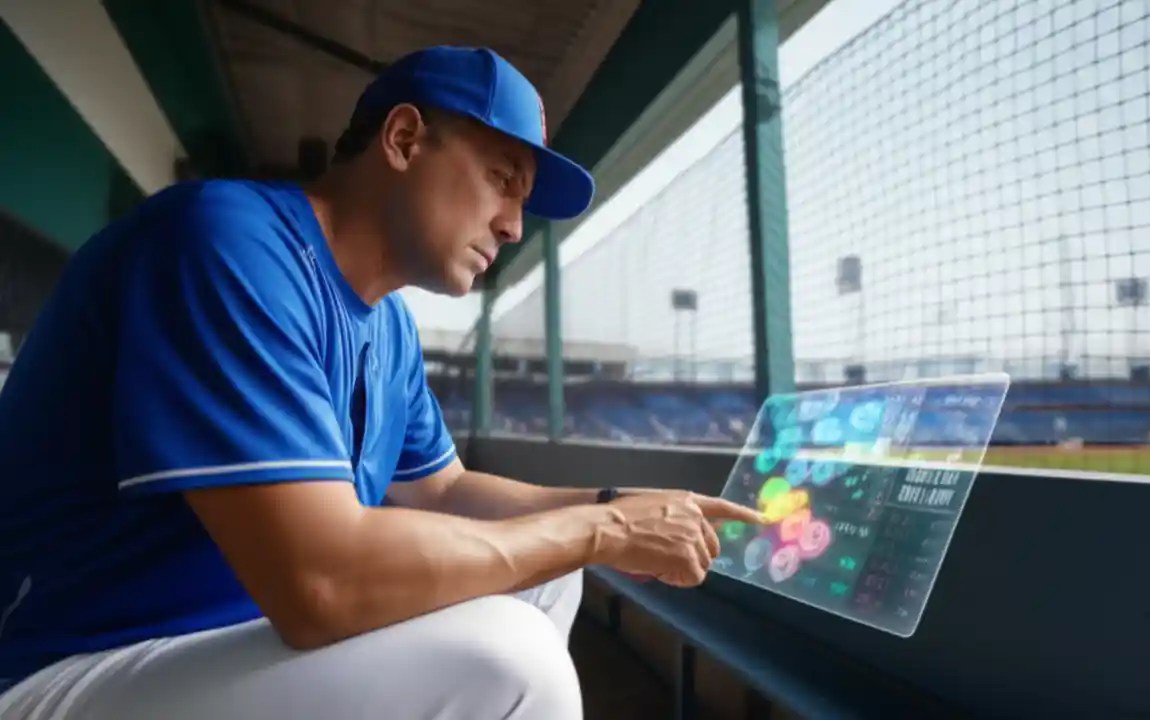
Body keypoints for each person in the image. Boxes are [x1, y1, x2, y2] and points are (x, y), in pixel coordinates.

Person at [0, 45, 764, 719]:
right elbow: (320, 585)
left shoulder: (385, 322)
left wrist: (609, 510)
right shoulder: (224, 241)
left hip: (227, 639)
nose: (511, 225)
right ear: (403, 139)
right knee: (508, 665)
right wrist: (603, 530)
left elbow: (441, 490)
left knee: (545, 580)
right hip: (75, 662)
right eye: (502, 179)